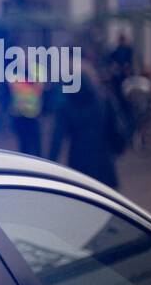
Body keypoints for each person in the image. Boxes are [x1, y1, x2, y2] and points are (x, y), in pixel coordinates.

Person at [48, 60, 126, 189]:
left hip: (78, 162)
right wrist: (118, 148)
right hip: (103, 161)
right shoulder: (104, 99)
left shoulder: (66, 105)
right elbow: (116, 128)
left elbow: (57, 138)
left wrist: (50, 165)